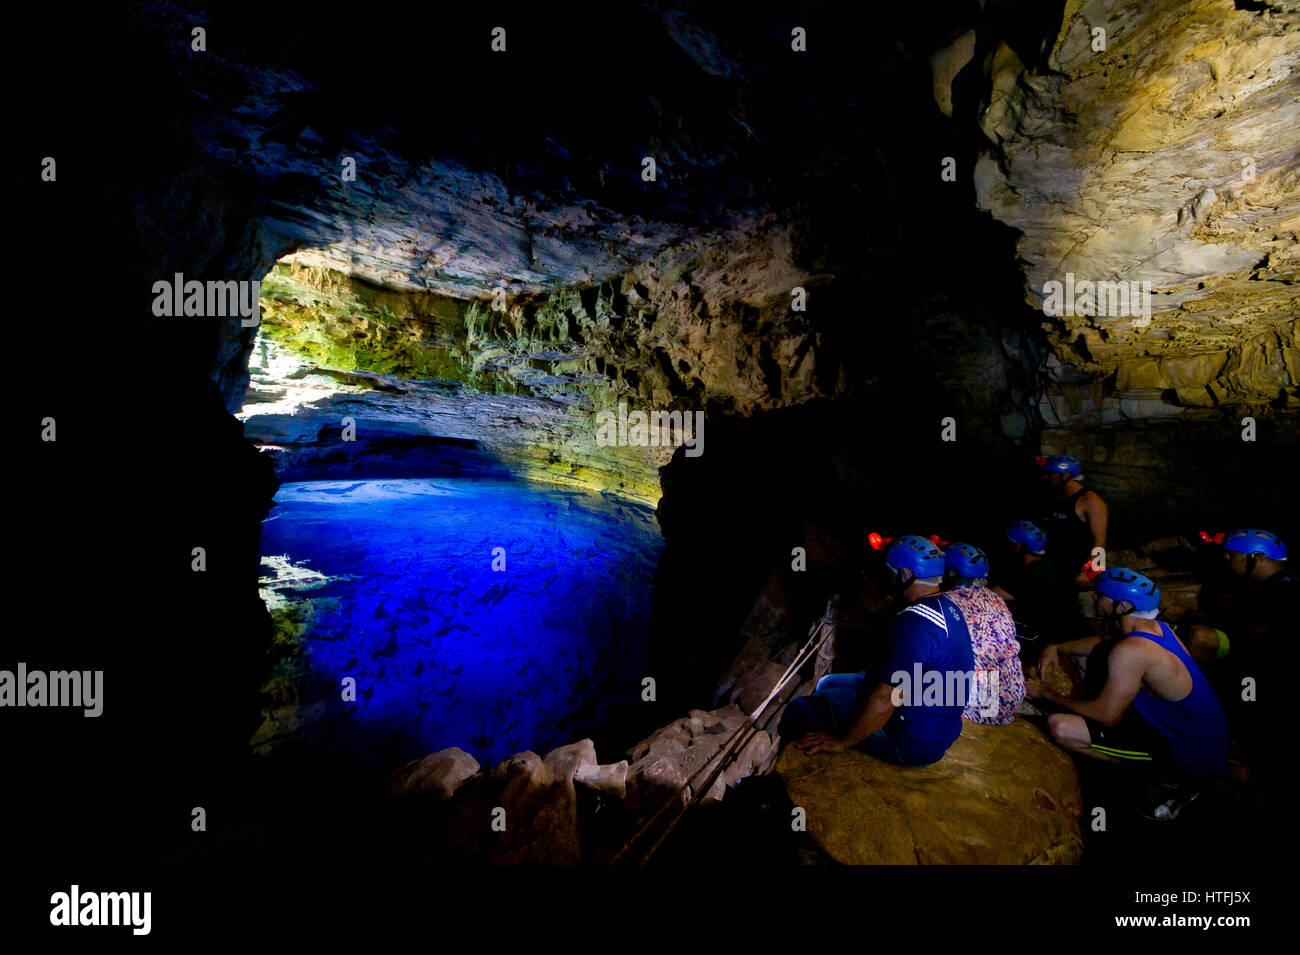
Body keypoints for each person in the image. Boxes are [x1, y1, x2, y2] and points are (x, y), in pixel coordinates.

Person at [1026, 568, 1228, 819]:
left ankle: (1167, 781)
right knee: (1084, 658)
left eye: (1100, 596)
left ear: (1121, 606)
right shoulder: (1159, 629)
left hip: (1188, 756)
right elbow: (1104, 644)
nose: (1094, 600)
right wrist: (1058, 646)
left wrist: (1045, 693)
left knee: (1060, 727)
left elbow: (1107, 716)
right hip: (1205, 739)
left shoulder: (1132, 651)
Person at [778, 535, 974, 767]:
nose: (887, 577)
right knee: (827, 684)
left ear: (905, 575)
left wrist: (842, 741)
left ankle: (780, 775)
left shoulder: (914, 625)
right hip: (935, 719)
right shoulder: (947, 606)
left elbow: (884, 699)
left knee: (799, 709)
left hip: (910, 741)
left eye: (891, 572)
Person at [941, 543, 1024, 725]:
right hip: (1009, 701)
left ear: (951, 573)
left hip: (974, 705)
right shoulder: (996, 600)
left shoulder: (946, 603)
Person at [991, 520, 1065, 649]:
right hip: (1049, 631)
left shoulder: (1033, 572)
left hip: (1036, 639)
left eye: (1010, 543)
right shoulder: (1048, 564)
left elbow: (989, 595)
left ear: (1020, 545)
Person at [1038, 454, 1108, 588]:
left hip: (1073, 572)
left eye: (1050, 473)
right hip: (1050, 567)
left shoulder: (1091, 501)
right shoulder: (1055, 497)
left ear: (1065, 475)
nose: (1046, 477)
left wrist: (1090, 573)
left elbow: (1100, 542)